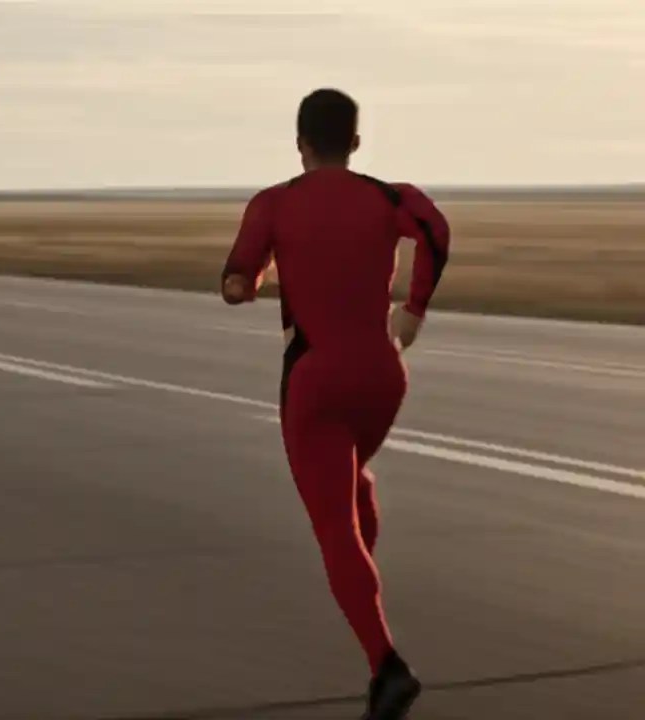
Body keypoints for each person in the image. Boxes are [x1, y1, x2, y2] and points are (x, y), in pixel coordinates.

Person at [219, 88, 450, 720]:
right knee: (354, 487)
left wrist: (242, 285)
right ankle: (362, 593)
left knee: (334, 528)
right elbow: (436, 230)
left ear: (299, 144)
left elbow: (239, 275)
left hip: (316, 381)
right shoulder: (386, 196)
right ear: (353, 143)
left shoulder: (275, 203)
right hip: (382, 376)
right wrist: (415, 309)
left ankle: (386, 668)